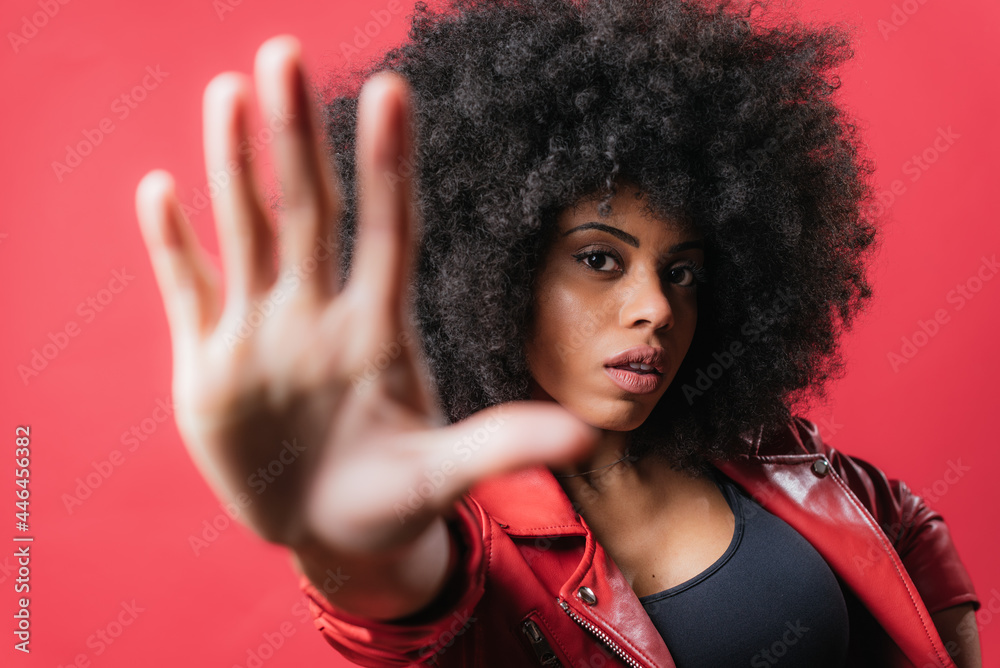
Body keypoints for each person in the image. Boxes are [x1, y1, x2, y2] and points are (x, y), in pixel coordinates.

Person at [134, 0, 982, 665]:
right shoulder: (462, 536)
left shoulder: (766, 450)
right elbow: (400, 607)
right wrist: (332, 542)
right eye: (600, 261)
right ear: (491, 272)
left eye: (682, 270)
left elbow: (895, 521)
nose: (656, 307)